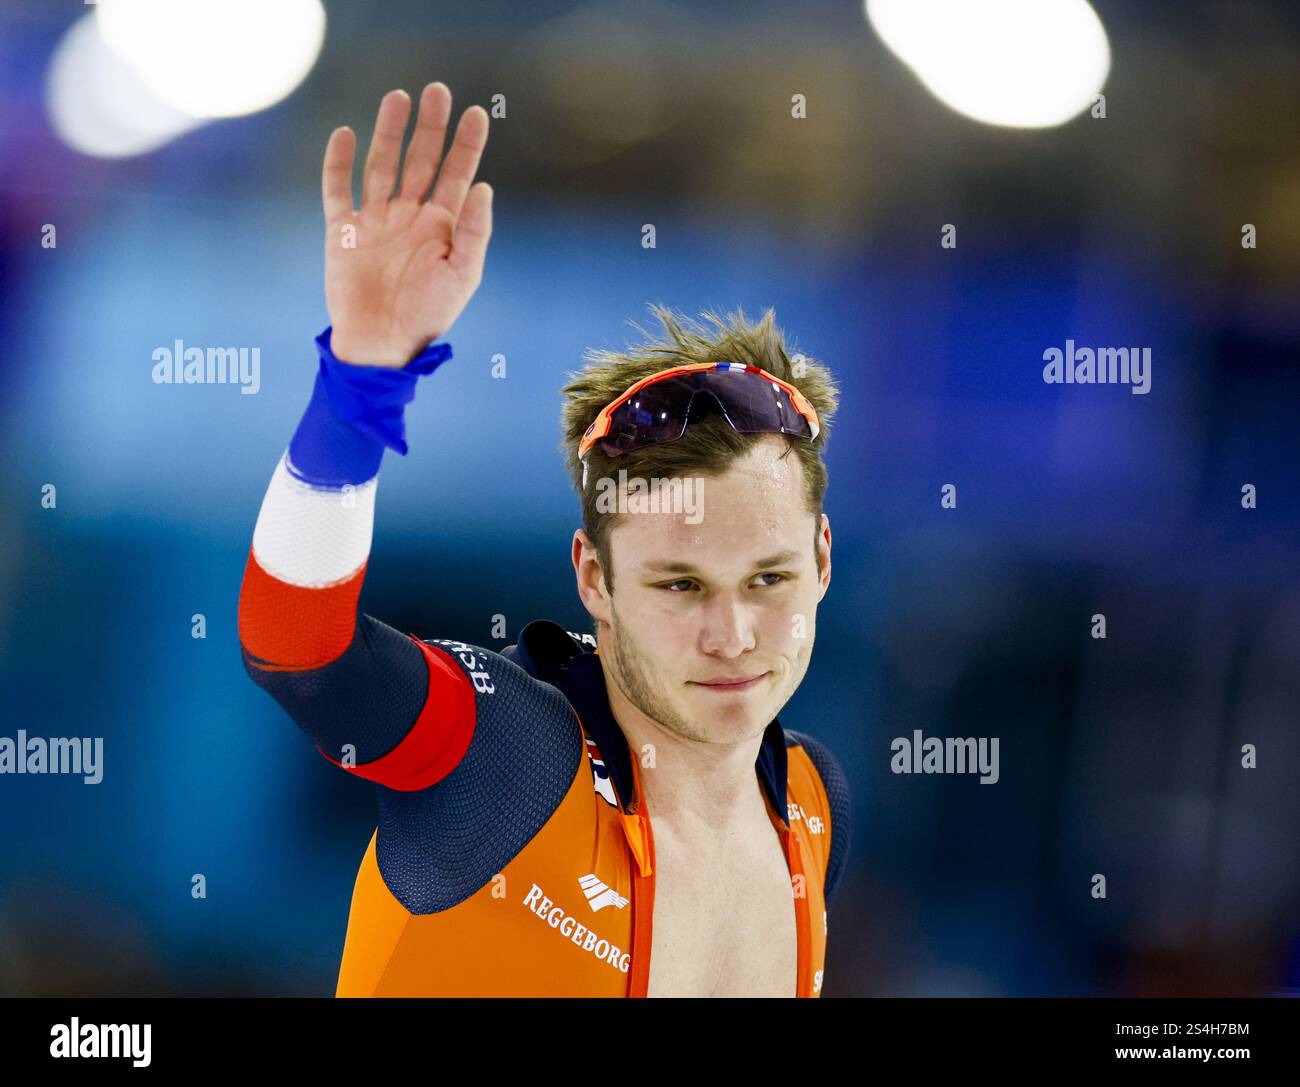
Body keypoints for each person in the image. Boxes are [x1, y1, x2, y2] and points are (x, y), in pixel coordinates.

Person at [237, 82, 850, 997]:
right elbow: (302, 653)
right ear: (594, 580)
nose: (733, 636)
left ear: (824, 561)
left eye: (766, 578)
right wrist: (357, 391)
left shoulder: (810, 799)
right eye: (679, 585)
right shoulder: (506, 759)